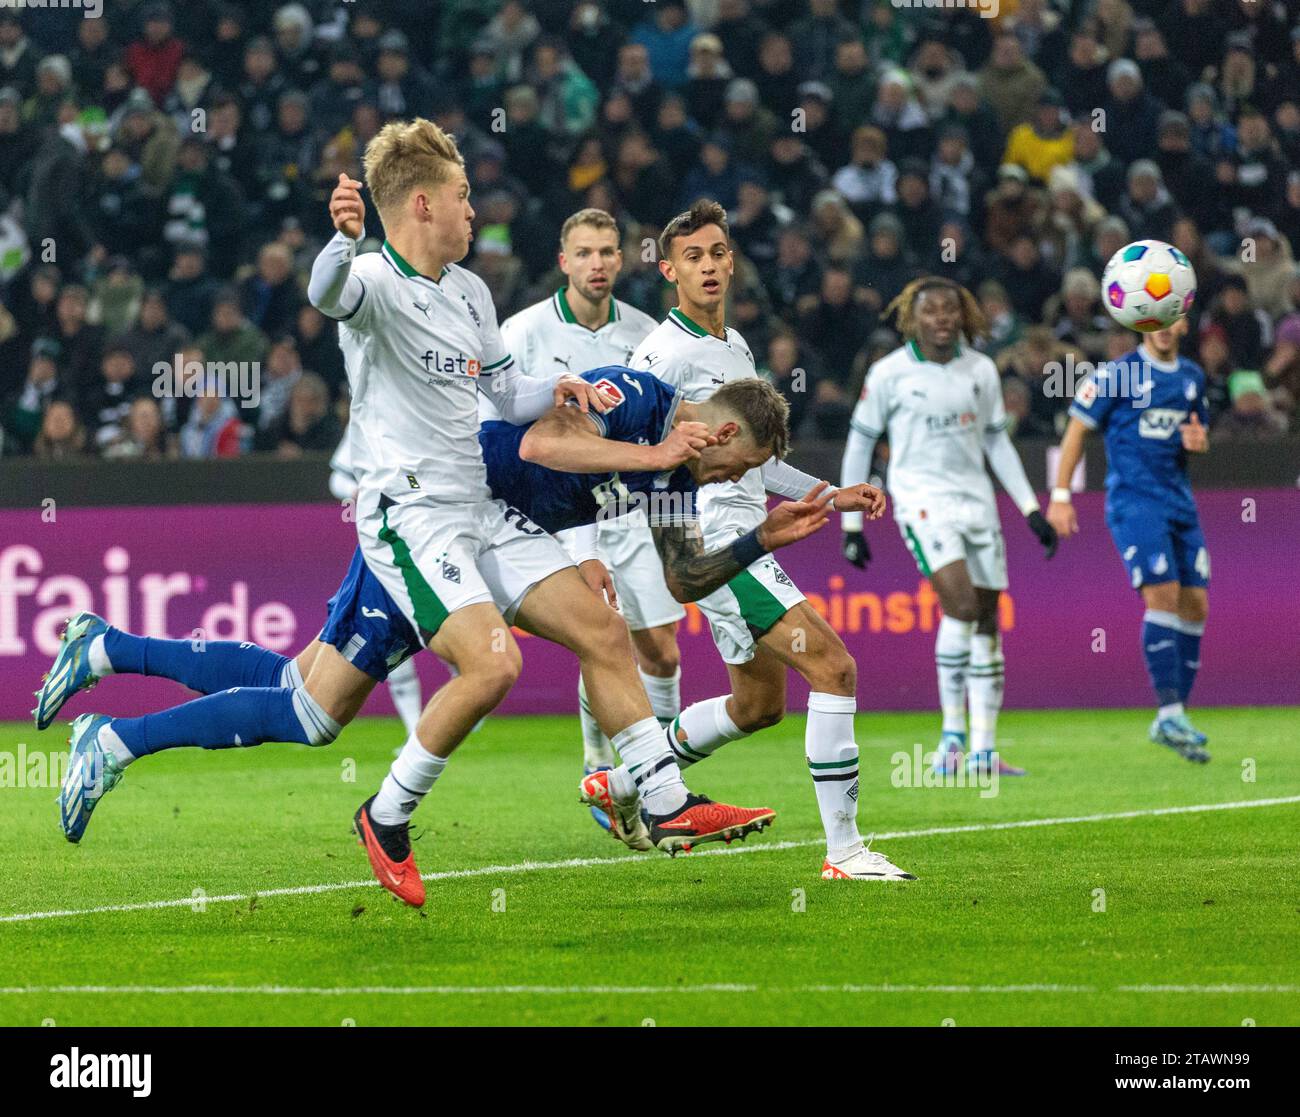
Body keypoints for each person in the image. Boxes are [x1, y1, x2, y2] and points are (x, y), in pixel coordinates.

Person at [42, 369, 830, 895]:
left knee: (602, 631)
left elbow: (687, 578)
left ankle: (662, 800)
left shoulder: (676, 475)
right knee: (310, 709)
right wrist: (653, 450)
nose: (731, 485)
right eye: (738, 469)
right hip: (445, 511)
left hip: (504, 532)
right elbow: (539, 443)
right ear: (722, 434)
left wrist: (769, 535)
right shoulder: (642, 400)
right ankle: (114, 736)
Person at [630, 199, 914, 882]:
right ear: (668, 269)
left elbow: (757, 454)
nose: (708, 266)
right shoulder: (660, 355)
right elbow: (637, 455)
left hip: (745, 527)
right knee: (834, 668)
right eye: (692, 256)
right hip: (720, 540)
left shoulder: (734, 348)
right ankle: (844, 850)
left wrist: (828, 491)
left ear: (732, 260)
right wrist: (666, 547)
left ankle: (619, 783)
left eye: (718, 253)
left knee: (757, 706)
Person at [490, 207, 668, 831]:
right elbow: (499, 414)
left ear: (621, 259)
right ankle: (607, 767)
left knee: (663, 654)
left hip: (631, 509)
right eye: (585, 253)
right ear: (564, 262)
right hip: (564, 513)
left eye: (608, 252)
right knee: (603, 633)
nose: (598, 264)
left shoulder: (646, 333)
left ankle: (647, 774)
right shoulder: (523, 331)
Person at [840, 277, 1059, 778]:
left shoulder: (980, 369)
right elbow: (860, 445)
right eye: (929, 311)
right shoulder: (889, 373)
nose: (940, 318)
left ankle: (984, 749)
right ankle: (950, 740)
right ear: (912, 319)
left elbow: (997, 443)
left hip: (976, 502)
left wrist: (1029, 509)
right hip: (922, 500)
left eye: (948, 310)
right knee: (959, 605)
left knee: (985, 618)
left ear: (962, 315)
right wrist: (851, 524)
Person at [1046, 316, 1212, 762]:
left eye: (1172, 317)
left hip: (1181, 504)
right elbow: (1077, 428)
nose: (1163, 326)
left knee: (1196, 605)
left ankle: (1176, 716)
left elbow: (1197, 435)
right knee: (1163, 595)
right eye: (1154, 318)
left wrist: (1198, 442)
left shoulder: (1193, 377)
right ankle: (1170, 711)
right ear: (1140, 320)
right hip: (1135, 503)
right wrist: (1061, 496)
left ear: (1183, 323)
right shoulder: (1116, 375)